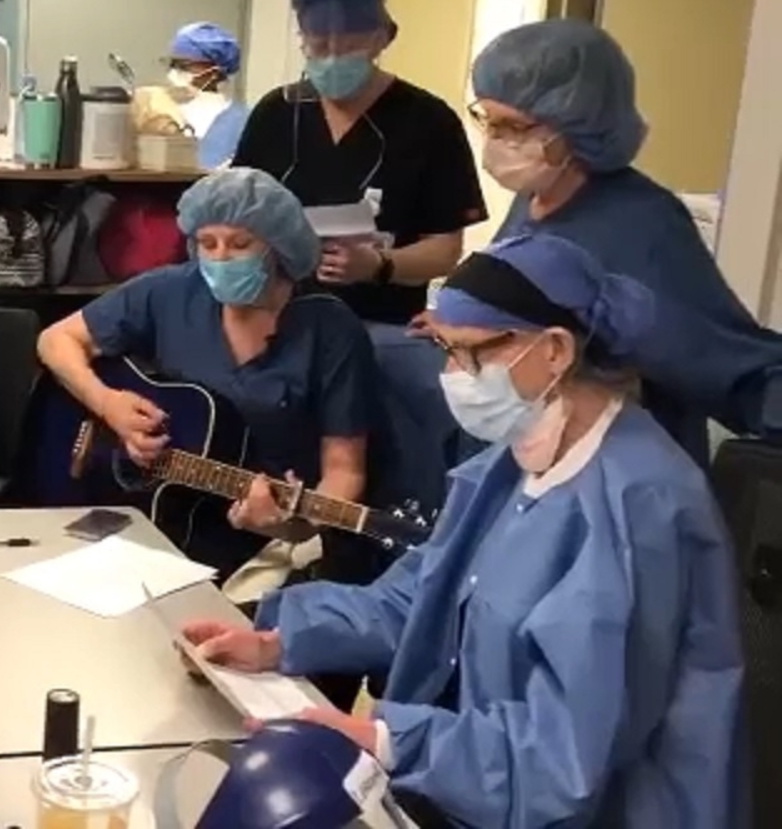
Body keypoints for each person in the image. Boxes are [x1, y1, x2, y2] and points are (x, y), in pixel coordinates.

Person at [183, 234, 748, 829]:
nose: (452, 375)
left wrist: (389, 739)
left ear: (554, 350)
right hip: (478, 790)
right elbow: (421, 597)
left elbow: (563, 761)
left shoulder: (639, 510)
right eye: (445, 350)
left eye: (467, 353)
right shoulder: (512, 462)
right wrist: (280, 640)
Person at [36, 168, 372, 581]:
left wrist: (291, 525)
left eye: (240, 244)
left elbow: (345, 472)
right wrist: (107, 405)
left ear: (279, 246)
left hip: (259, 541)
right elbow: (56, 341)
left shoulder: (330, 331)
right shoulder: (170, 291)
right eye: (207, 244)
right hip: (155, 521)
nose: (220, 258)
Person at [471, 18, 782, 464]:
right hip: (533, 450)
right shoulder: (535, 198)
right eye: (488, 121)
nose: (495, 141)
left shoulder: (640, 225)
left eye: (513, 127)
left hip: (614, 466)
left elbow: (726, 363)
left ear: (573, 124)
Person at [231, 0, 486, 326]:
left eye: (349, 46)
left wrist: (378, 265)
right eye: (319, 46)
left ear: (382, 38)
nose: (332, 57)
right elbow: (235, 215)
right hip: (277, 318)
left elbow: (444, 249)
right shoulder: (278, 113)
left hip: (381, 325)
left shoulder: (429, 121)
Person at [165, 21, 250, 169]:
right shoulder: (166, 114)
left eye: (184, 66)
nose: (175, 72)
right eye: (172, 64)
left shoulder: (243, 121)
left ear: (215, 71)